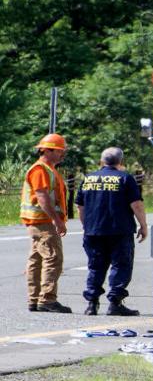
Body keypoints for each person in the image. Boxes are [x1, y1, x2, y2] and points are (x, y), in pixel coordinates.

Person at [75, 147, 148, 316]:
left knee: (95, 267)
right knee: (120, 265)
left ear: (102, 161)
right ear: (120, 162)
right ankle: (115, 302)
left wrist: (87, 226)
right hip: (119, 231)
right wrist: (143, 225)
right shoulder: (125, 178)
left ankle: (92, 304)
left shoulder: (88, 179)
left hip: (93, 231)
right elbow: (136, 204)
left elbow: (80, 206)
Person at [21, 133, 72, 313]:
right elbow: (42, 197)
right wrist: (57, 221)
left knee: (37, 259)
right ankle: (47, 299)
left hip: (39, 222)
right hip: (43, 222)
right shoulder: (40, 170)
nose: (61, 154)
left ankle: (34, 299)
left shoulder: (48, 169)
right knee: (53, 258)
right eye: (58, 151)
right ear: (46, 150)